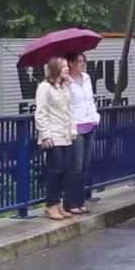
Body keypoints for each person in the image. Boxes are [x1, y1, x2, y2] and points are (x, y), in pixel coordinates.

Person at [34, 56, 76, 221]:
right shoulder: (45, 87)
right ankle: (50, 204)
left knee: (65, 171)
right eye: (63, 66)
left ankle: (58, 203)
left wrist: (73, 130)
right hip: (53, 135)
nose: (66, 69)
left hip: (65, 135)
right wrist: (45, 134)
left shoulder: (64, 87)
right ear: (55, 69)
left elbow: (69, 110)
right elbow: (41, 112)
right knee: (55, 170)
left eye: (66, 66)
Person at [65, 50, 101, 215]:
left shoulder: (86, 78)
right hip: (76, 126)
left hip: (89, 124)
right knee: (76, 166)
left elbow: (90, 100)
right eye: (79, 61)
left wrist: (95, 118)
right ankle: (70, 202)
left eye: (83, 61)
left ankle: (80, 201)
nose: (82, 64)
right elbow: (66, 105)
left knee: (85, 166)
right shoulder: (66, 81)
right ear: (71, 63)